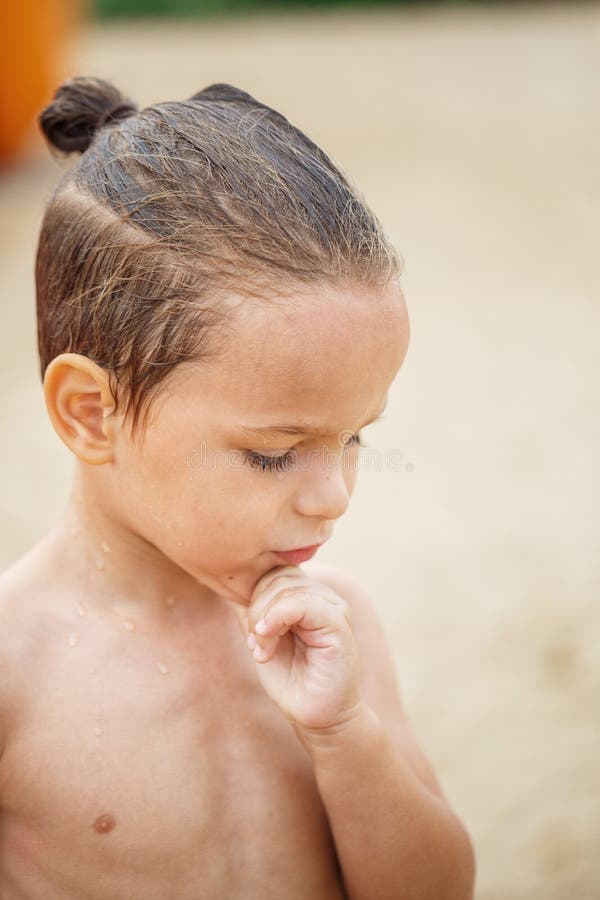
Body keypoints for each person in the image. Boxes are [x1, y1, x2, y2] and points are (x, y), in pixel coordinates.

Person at [0, 77, 475, 899]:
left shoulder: (340, 623)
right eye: (273, 454)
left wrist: (344, 735)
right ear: (90, 413)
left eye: (354, 436)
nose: (334, 497)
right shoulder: (15, 674)